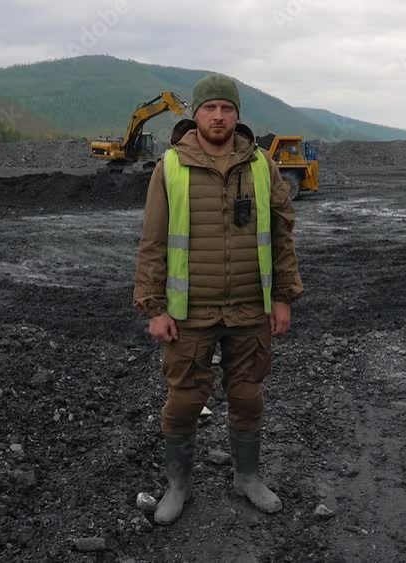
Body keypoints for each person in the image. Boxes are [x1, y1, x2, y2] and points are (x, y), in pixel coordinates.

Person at [133, 73, 304, 525]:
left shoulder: (262, 165)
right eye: (210, 108)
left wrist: (283, 297)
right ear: (196, 115)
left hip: (250, 308)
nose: (219, 116)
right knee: (185, 401)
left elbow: (282, 236)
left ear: (237, 115)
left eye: (227, 108)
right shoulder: (171, 166)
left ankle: (247, 478)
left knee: (247, 396)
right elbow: (152, 242)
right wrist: (153, 306)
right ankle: (178, 486)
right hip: (191, 310)